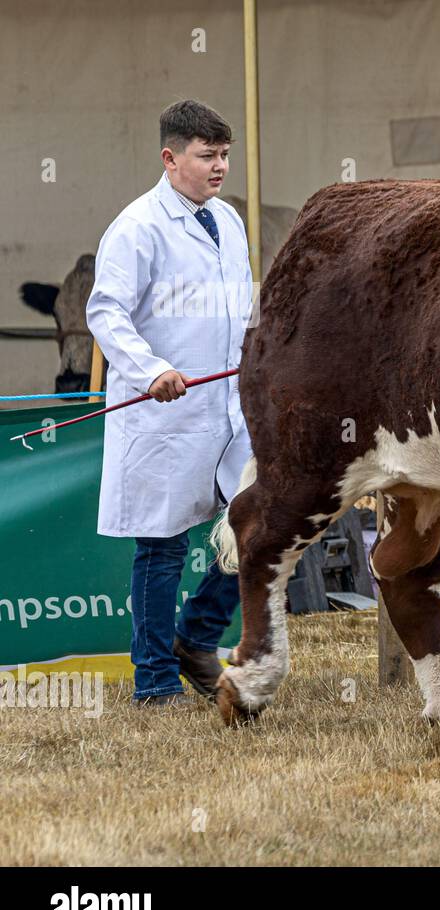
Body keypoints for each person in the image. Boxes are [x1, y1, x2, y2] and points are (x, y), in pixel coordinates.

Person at [86, 99, 253, 706]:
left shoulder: (228, 222)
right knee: (163, 547)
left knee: (257, 525)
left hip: (229, 410)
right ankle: (154, 682)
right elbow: (106, 312)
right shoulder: (136, 227)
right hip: (163, 412)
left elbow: (241, 311)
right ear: (170, 157)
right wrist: (152, 369)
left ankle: (197, 635)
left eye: (225, 156)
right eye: (207, 156)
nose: (219, 168)